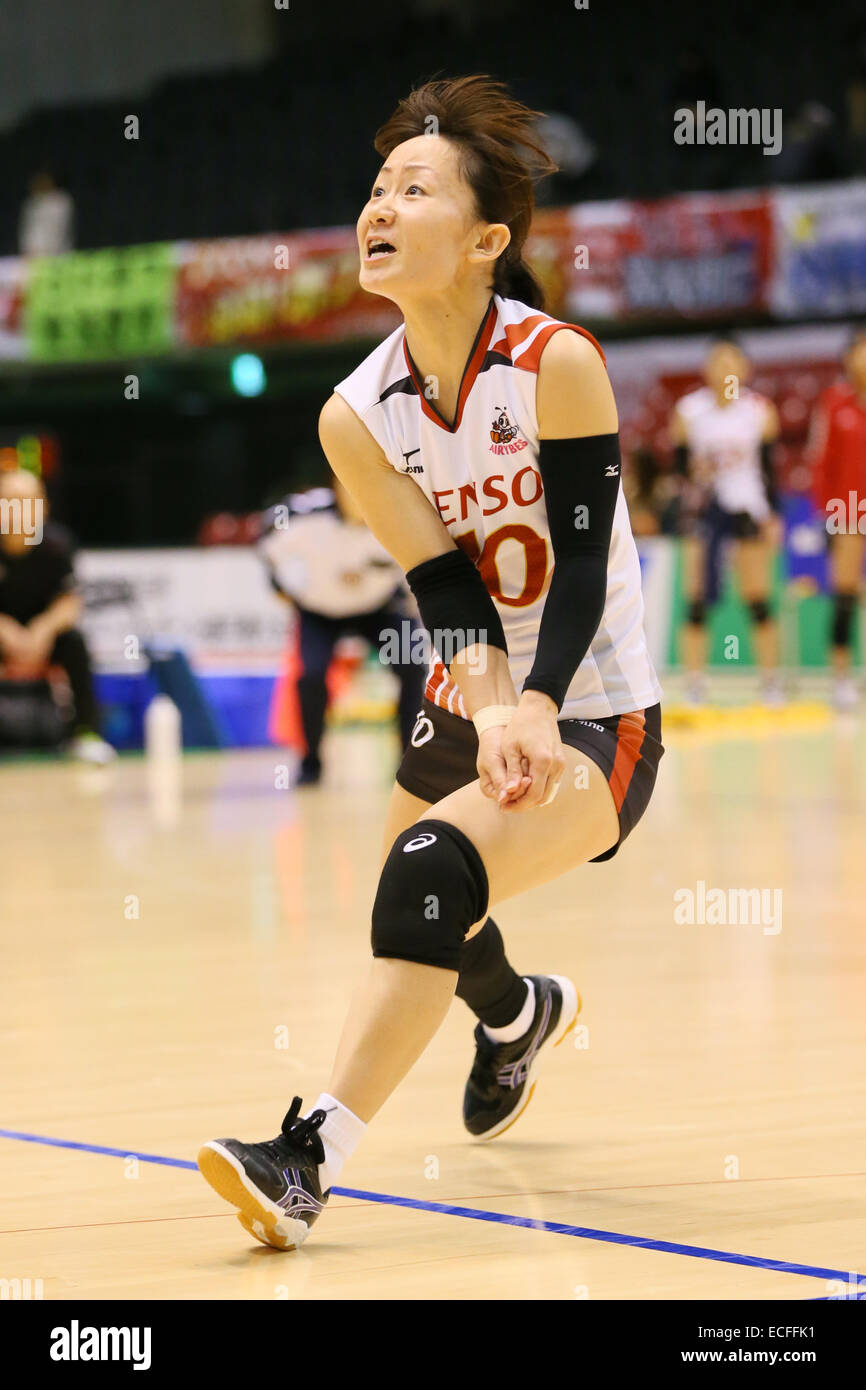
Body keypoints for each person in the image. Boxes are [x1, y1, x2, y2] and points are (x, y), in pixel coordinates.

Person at [197, 76, 664, 1252]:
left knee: (423, 868)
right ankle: (515, 1015)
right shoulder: (354, 414)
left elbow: (578, 559)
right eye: (374, 189)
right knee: (417, 896)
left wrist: (539, 705)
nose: (379, 207)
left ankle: (305, 1159)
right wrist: (491, 696)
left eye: (414, 189)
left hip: (596, 706)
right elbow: (445, 584)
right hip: (483, 689)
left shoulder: (555, 363)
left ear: (486, 239)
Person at [257, 474, 425, 783]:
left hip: (378, 608)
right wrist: (283, 584)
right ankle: (311, 762)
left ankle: (409, 760)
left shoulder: (397, 515)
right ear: (336, 486)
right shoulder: (302, 515)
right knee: (310, 675)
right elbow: (266, 539)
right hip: (319, 612)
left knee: (413, 664)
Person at [670, 337, 783, 706]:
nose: (724, 370)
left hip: (747, 509)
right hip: (704, 511)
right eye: (717, 362)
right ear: (707, 369)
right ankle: (695, 683)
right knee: (697, 599)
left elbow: (769, 469)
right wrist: (694, 471)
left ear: (745, 369)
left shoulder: (758, 410)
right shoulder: (690, 411)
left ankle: (769, 681)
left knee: (758, 598)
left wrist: (774, 516)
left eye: (732, 362)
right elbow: (679, 469)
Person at [0, 470, 113, 762]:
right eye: (10, 500)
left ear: (43, 506)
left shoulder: (57, 545)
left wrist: (43, 629)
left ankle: (85, 734)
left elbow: (70, 603)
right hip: (3, 636)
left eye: (28, 501)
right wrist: (6, 630)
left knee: (75, 643)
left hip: (42, 639)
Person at [808, 326, 866, 711]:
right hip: (848, 510)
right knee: (845, 594)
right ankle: (841, 679)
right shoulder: (833, 403)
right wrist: (827, 513)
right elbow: (819, 460)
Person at [18, 170, 75, 258]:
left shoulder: (61, 201)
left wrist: (50, 251)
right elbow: (27, 230)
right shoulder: (31, 203)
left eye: (42, 180)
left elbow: (58, 229)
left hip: (57, 254)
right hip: (32, 254)